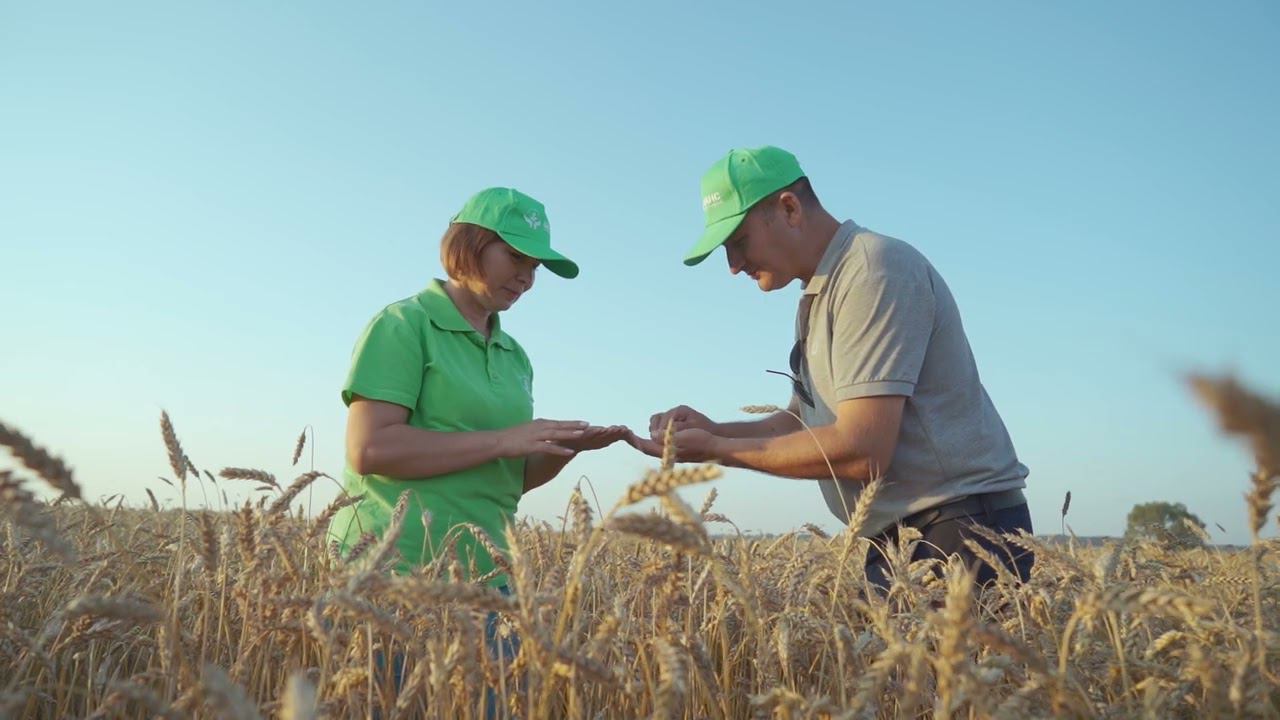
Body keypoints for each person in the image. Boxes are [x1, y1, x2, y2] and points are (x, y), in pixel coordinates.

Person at [630, 146, 1033, 588]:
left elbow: (862, 448)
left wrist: (714, 450)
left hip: (961, 533)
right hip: (907, 539)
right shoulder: (820, 292)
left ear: (788, 208)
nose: (733, 266)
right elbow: (798, 422)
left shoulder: (874, 271)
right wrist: (715, 430)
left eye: (738, 242)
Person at [327, 188, 627, 707]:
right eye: (515, 257)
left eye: (535, 266)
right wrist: (505, 439)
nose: (527, 278)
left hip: (488, 580)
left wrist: (560, 449)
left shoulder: (515, 356)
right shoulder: (403, 325)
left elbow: (509, 477)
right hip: (393, 581)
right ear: (468, 245)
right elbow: (370, 448)